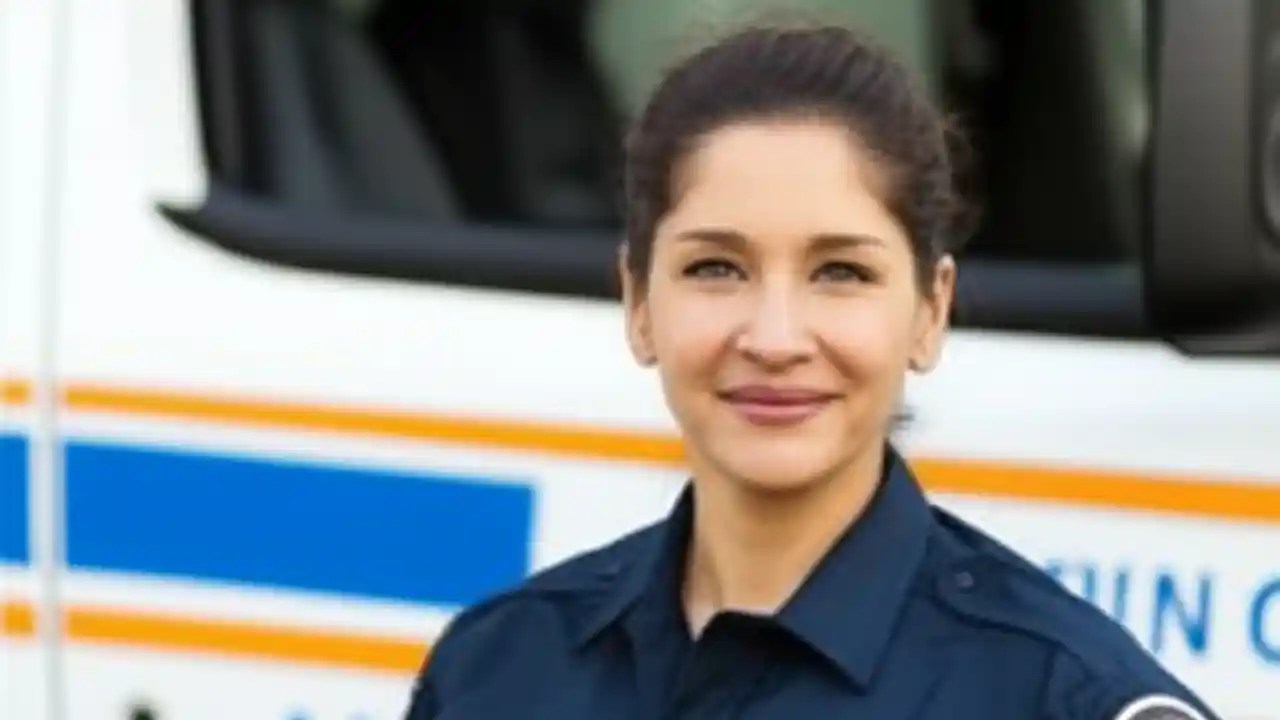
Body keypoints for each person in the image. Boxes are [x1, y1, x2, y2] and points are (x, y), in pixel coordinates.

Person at [403, 25, 1220, 720]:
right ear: (638, 302)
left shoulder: (1063, 697)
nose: (775, 337)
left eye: (841, 273)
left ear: (930, 310)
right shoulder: (499, 669)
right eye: (716, 268)